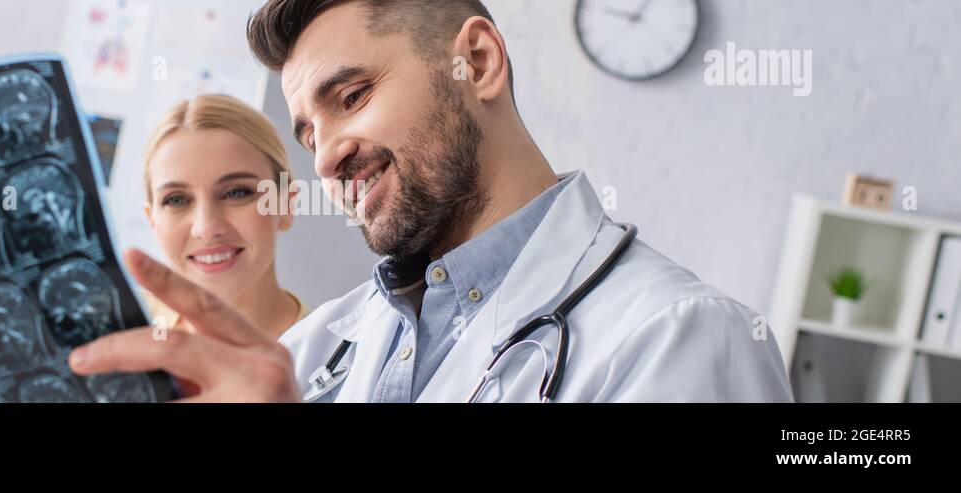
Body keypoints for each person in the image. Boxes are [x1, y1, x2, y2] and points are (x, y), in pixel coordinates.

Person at [69, 0, 794, 403]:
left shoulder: (680, 337)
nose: (325, 154)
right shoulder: (318, 349)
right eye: (307, 133)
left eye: (351, 97)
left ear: (475, 62)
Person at [140, 94, 308, 340]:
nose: (207, 227)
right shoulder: (116, 327)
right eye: (176, 200)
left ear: (286, 205)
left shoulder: (338, 359)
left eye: (237, 193)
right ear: (152, 219)